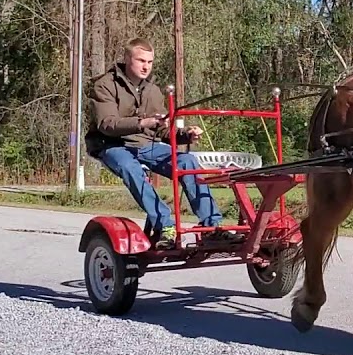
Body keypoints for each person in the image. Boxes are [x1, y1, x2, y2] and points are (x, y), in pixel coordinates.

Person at [85, 38, 238, 247]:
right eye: (141, 60)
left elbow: (162, 130)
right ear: (127, 59)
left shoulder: (153, 90)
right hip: (112, 145)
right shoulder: (105, 85)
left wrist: (185, 135)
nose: (146, 66)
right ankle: (165, 225)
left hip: (146, 145)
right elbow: (106, 124)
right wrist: (142, 122)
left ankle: (213, 227)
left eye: (149, 61)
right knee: (130, 167)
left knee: (187, 162)